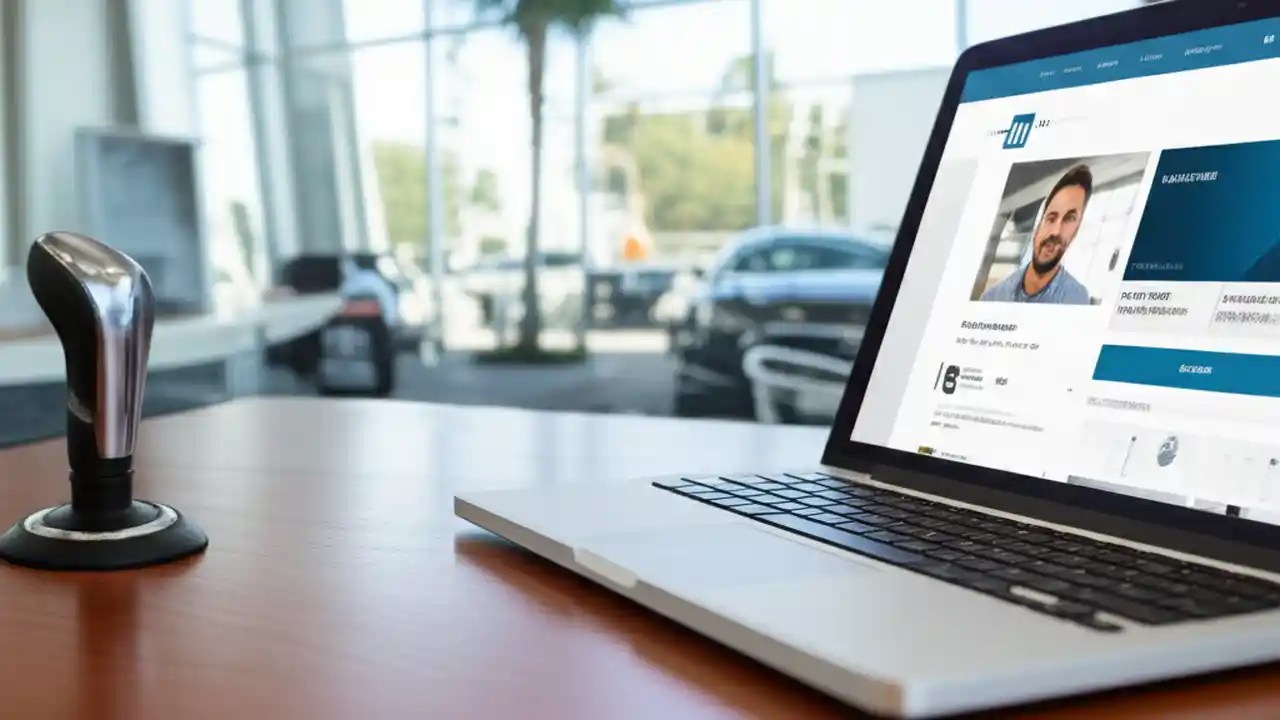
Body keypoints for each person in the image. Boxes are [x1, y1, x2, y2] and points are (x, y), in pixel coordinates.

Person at [981, 164, 1093, 304]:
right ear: (1038, 225)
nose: (1055, 231)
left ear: (1076, 230)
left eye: (1069, 219)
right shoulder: (993, 298)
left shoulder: (1077, 300)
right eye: (1051, 218)